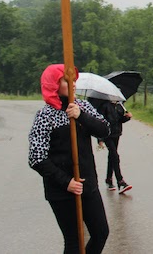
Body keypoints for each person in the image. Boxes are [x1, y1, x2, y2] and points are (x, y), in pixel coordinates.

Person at [28, 64, 111, 254]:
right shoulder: (45, 115)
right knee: (74, 241)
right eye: (66, 80)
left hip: (88, 185)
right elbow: (36, 157)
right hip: (61, 190)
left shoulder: (83, 106)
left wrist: (81, 116)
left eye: (73, 79)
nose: (73, 83)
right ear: (53, 85)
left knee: (100, 233)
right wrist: (67, 182)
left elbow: (105, 130)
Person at [88, 98, 133, 193]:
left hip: (117, 134)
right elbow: (99, 122)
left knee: (112, 157)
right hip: (107, 135)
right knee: (115, 156)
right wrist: (99, 139)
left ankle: (108, 179)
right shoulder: (104, 106)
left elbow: (120, 120)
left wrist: (127, 117)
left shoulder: (119, 106)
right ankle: (120, 181)